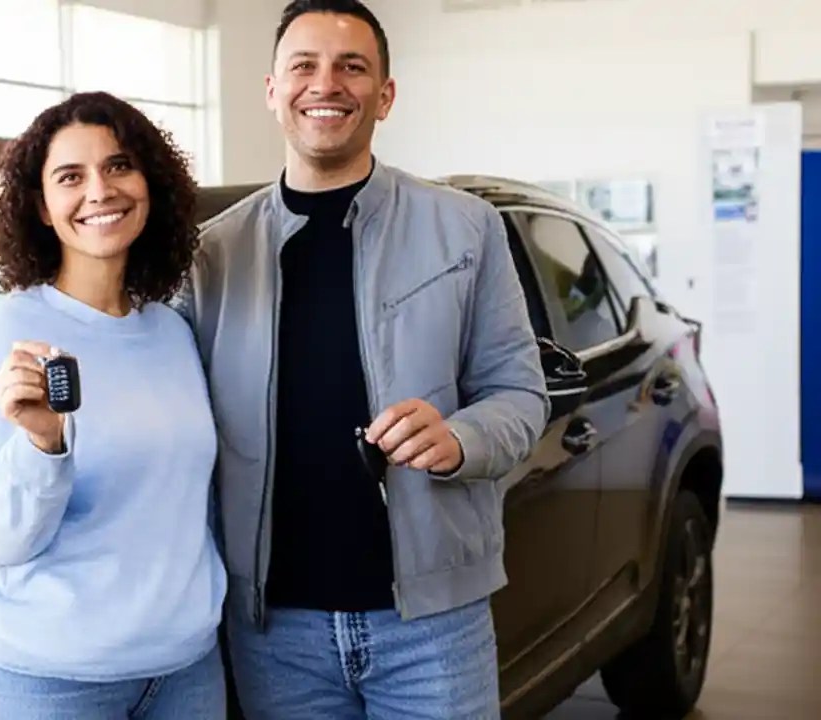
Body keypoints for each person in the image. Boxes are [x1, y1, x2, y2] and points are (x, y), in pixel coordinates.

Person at [173, 1, 549, 718]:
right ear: (272, 90)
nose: (327, 84)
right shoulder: (211, 255)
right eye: (304, 66)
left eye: (352, 66)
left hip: (433, 627)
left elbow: (520, 394)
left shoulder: (466, 227)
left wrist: (461, 438)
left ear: (385, 94)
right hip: (274, 633)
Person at [0, 92, 227, 719]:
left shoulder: (173, 332)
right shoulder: (5, 333)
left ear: (151, 185)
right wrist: (42, 445)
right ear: (41, 208)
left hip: (185, 671)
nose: (100, 190)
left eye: (119, 166)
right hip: (47, 678)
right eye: (70, 177)